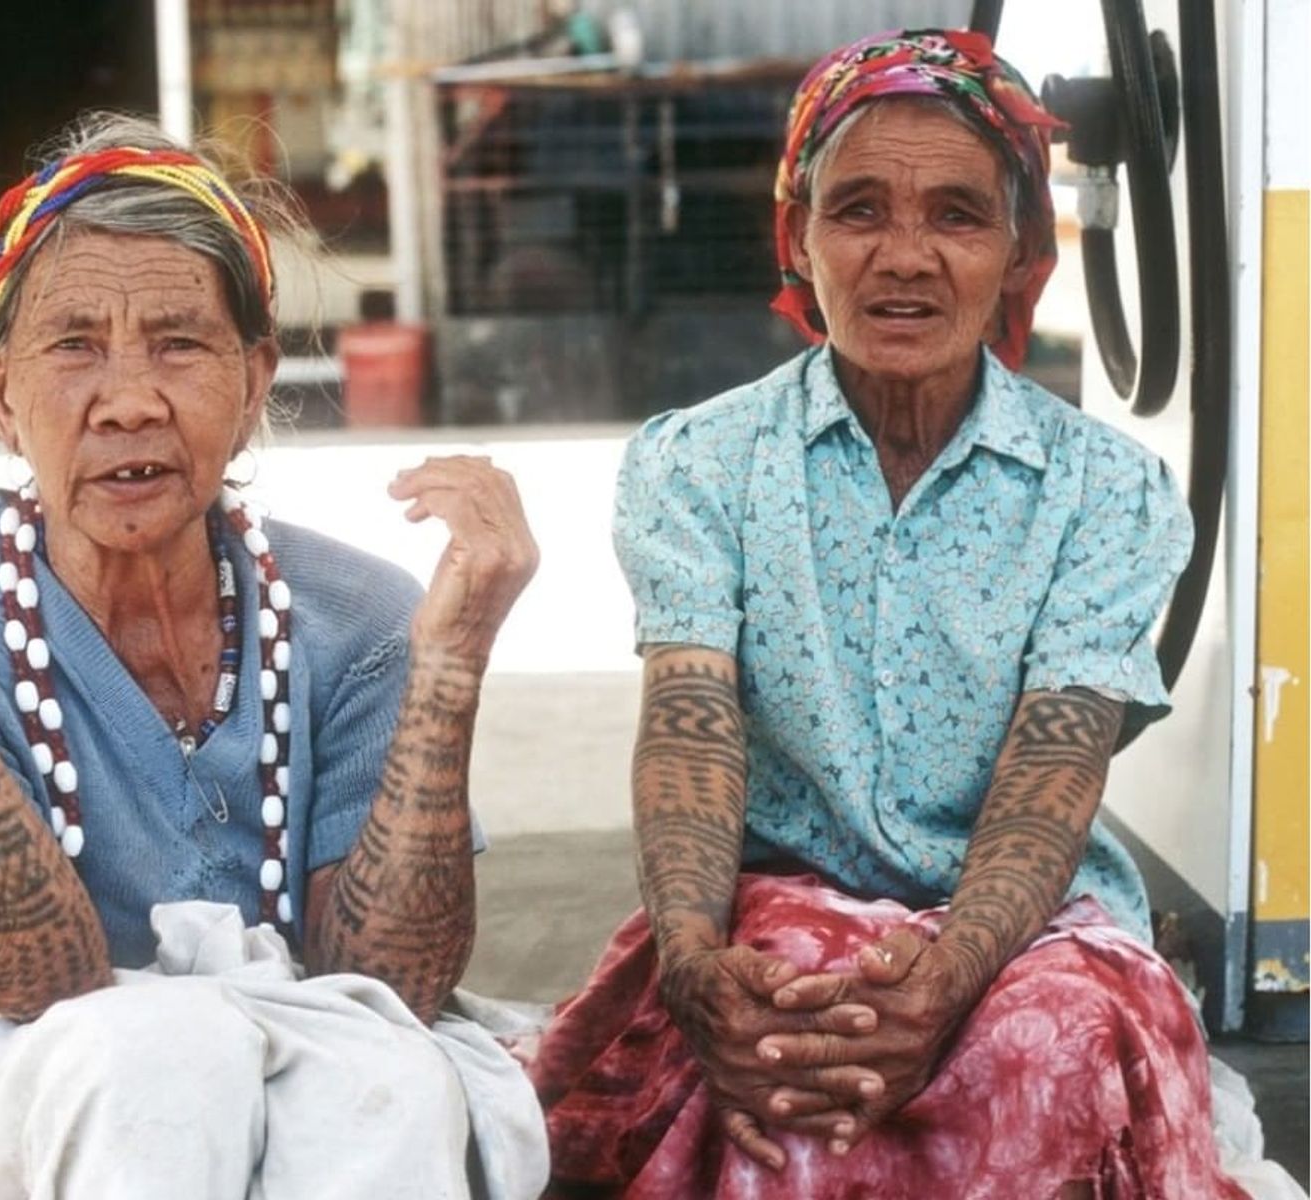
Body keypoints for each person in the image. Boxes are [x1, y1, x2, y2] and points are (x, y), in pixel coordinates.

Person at [0, 113, 546, 1199]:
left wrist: (449, 666)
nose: (129, 400)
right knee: (156, 1055)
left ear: (255, 378)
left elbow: (390, 978)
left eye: (180, 342)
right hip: (15, 1060)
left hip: (306, 1027)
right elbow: (36, 982)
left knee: (386, 1077)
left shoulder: (360, 614)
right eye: (74, 345)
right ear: (1, 391)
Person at [530, 29, 1249, 1199]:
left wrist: (951, 970)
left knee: (1041, 1050)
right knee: (780, 1067)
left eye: (957, 216)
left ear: (1020, 255)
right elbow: (690, 728)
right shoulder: (697, 463)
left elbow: (1052, 772)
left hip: (1022, 920)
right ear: (797, 237)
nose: (902, 257)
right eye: (857, 208)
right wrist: (697, 957)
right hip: (776, 897)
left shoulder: (1107, 494)